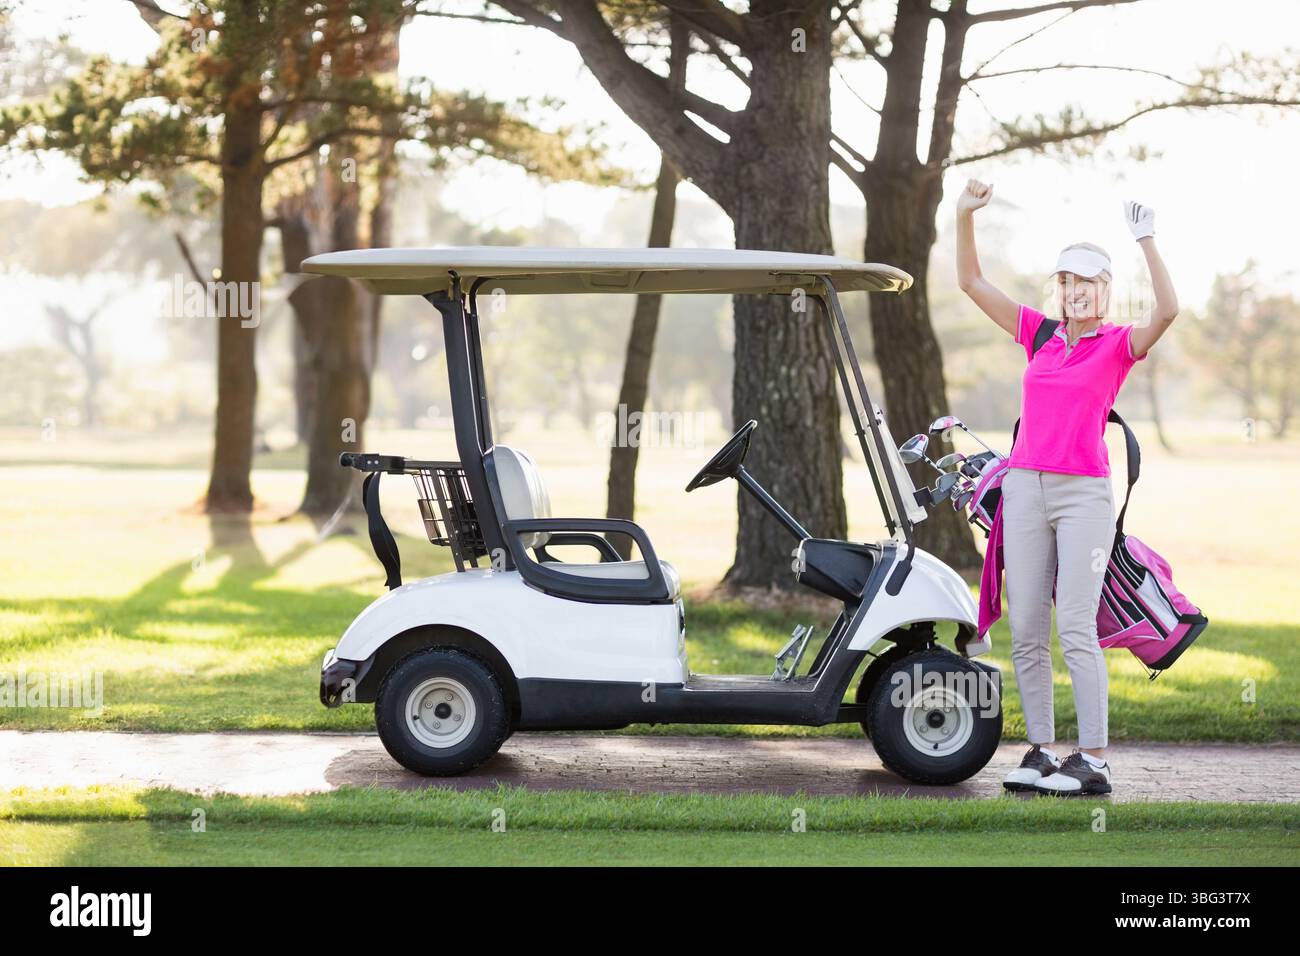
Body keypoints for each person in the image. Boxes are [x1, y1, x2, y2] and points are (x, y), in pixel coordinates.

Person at [955, 180, 1179, 795]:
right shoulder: (1041, 335)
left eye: (1088, 284)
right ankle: (1042, 752)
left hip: (1083, 496)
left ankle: (1094, 760)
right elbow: (972, 284)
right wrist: (964, 215)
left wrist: (1146, 240)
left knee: (1075, 626)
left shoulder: (1117, 344)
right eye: (1067, 283)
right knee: (1027, 627)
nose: (1076, 292)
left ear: (1105, 291)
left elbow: (1167, 312)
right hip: (1025, 488)